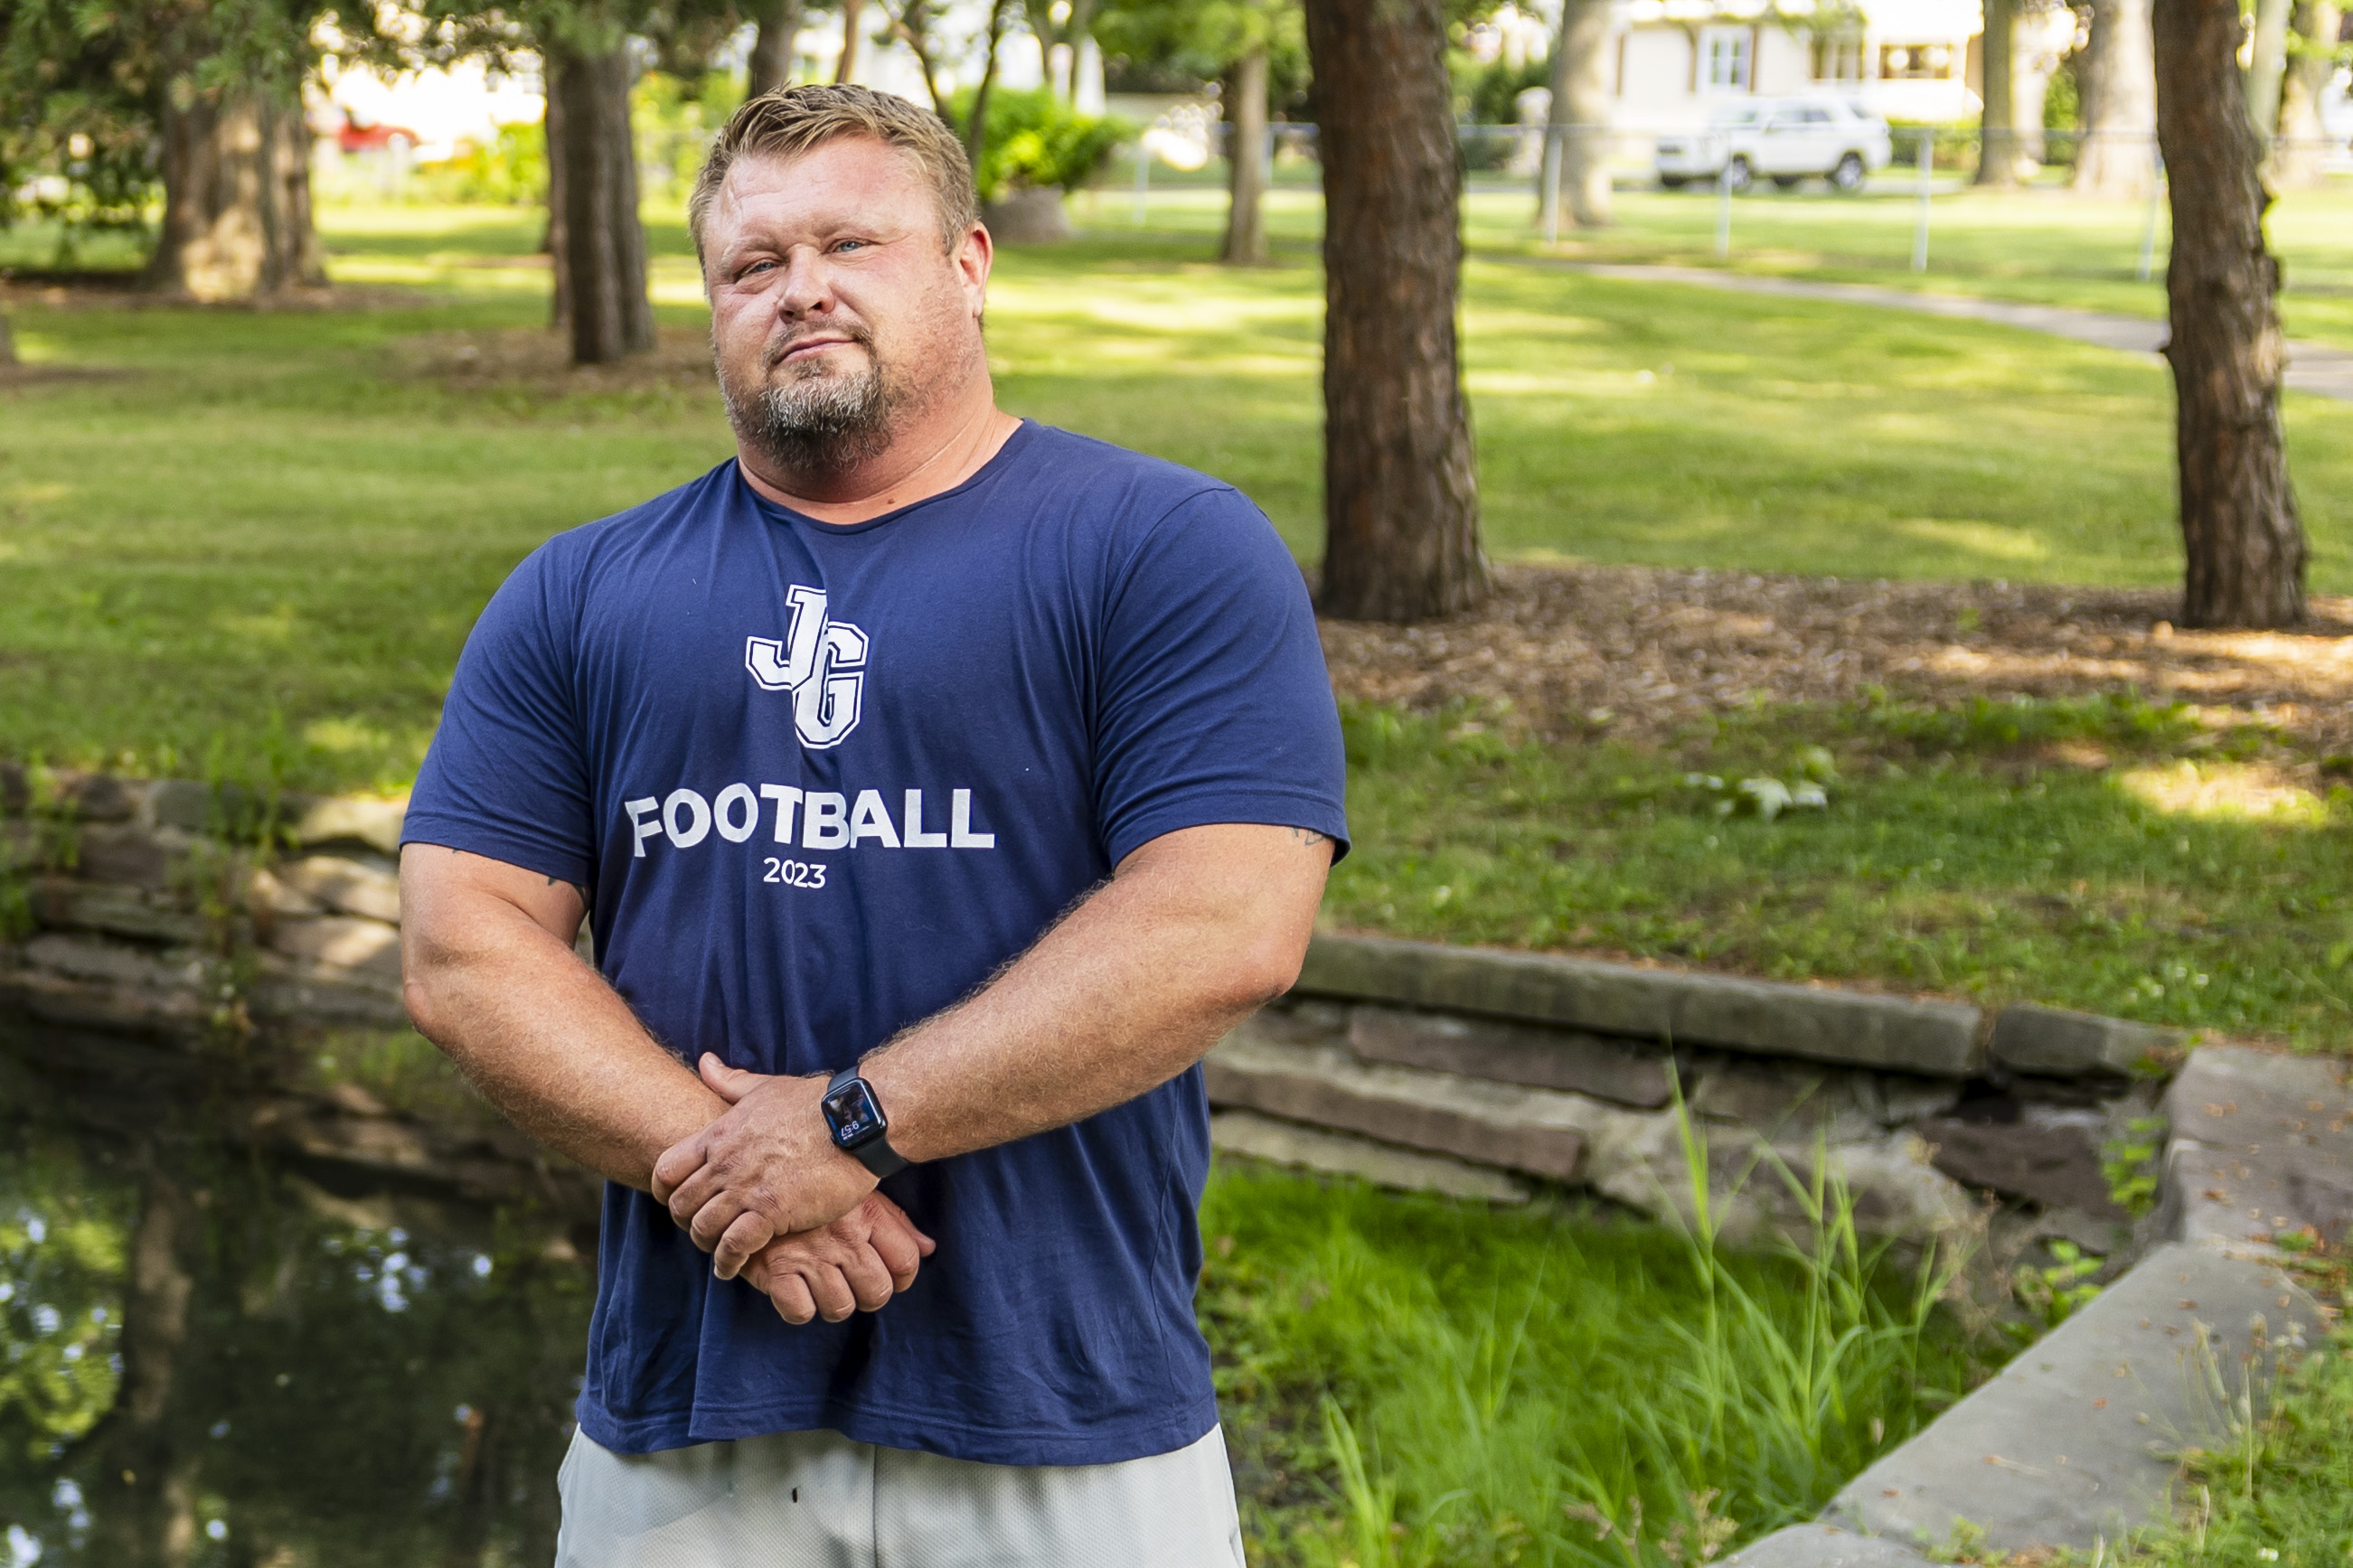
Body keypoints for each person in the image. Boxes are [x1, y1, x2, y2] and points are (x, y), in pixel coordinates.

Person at [396, 83, 1347, 1567]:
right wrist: (726, 1163)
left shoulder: (1160, 549)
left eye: (853, 242)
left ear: (969, 264)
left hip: (1064, 1426)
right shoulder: (580, 594)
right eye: (753, 264)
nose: (802, 290)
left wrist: (852, 1122)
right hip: (686, 1431)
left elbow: (1228, 923)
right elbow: (464, 949)